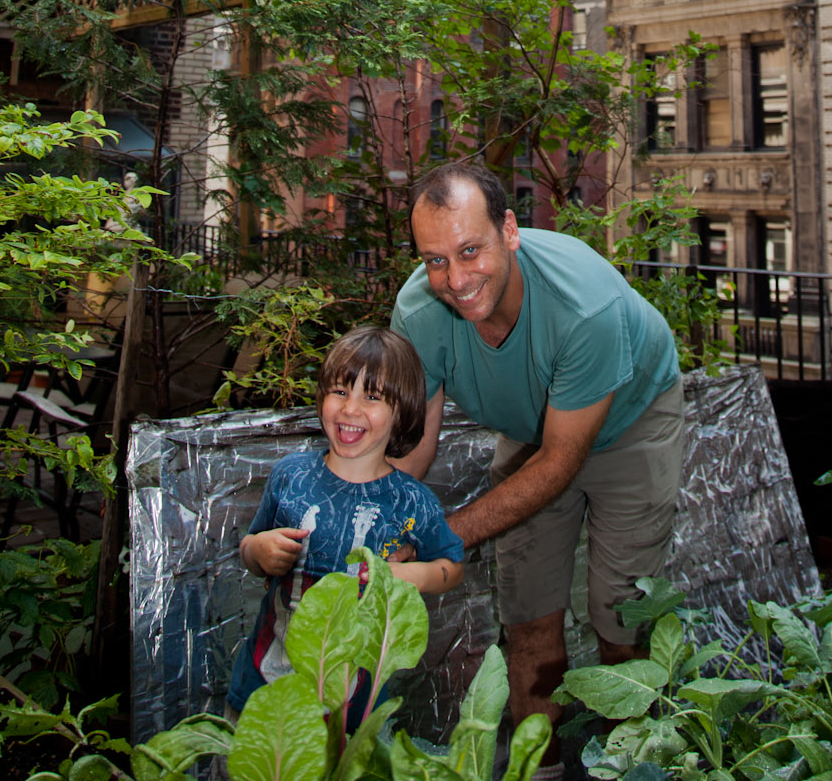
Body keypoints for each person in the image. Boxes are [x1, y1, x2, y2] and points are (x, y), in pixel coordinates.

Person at [390, 159, 684, 769]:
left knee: (620, 617)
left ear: (510, 231)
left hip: (630, 420)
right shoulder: (419, 312)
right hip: (535, 431)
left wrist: (445, 536)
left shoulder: (585, 305)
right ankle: (540, 769)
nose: (455, 278)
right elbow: (415, 446)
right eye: (435, 259)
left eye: (471, 250)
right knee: (527, 616)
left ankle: (629, 765)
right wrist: (376, 528)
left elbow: (557, 465)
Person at [227, 325, 464, 730]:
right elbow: (249, 546)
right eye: (340, 391)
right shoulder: (290, 477)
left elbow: (451, 567)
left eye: (371, 397)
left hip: (353, 717)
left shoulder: (409, 501)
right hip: (263, 695)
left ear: (402, 411)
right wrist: (258, 551)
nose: (350, 409)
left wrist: (409, 575)